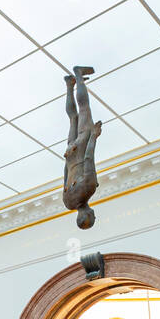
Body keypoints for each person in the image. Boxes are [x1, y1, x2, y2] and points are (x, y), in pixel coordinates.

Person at [63, 66, 103, 229]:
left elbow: (88, 160)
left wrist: (93, 135)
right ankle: (69, 85)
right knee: (73, 118)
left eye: (93, 217)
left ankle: (78, 74)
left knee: (84, 108)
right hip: (70, 155)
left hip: (80, 151)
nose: (94, 214)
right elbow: (65, 177)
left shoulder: (89, 189)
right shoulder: (68, 203)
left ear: (87, 215)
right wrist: (68, 155)